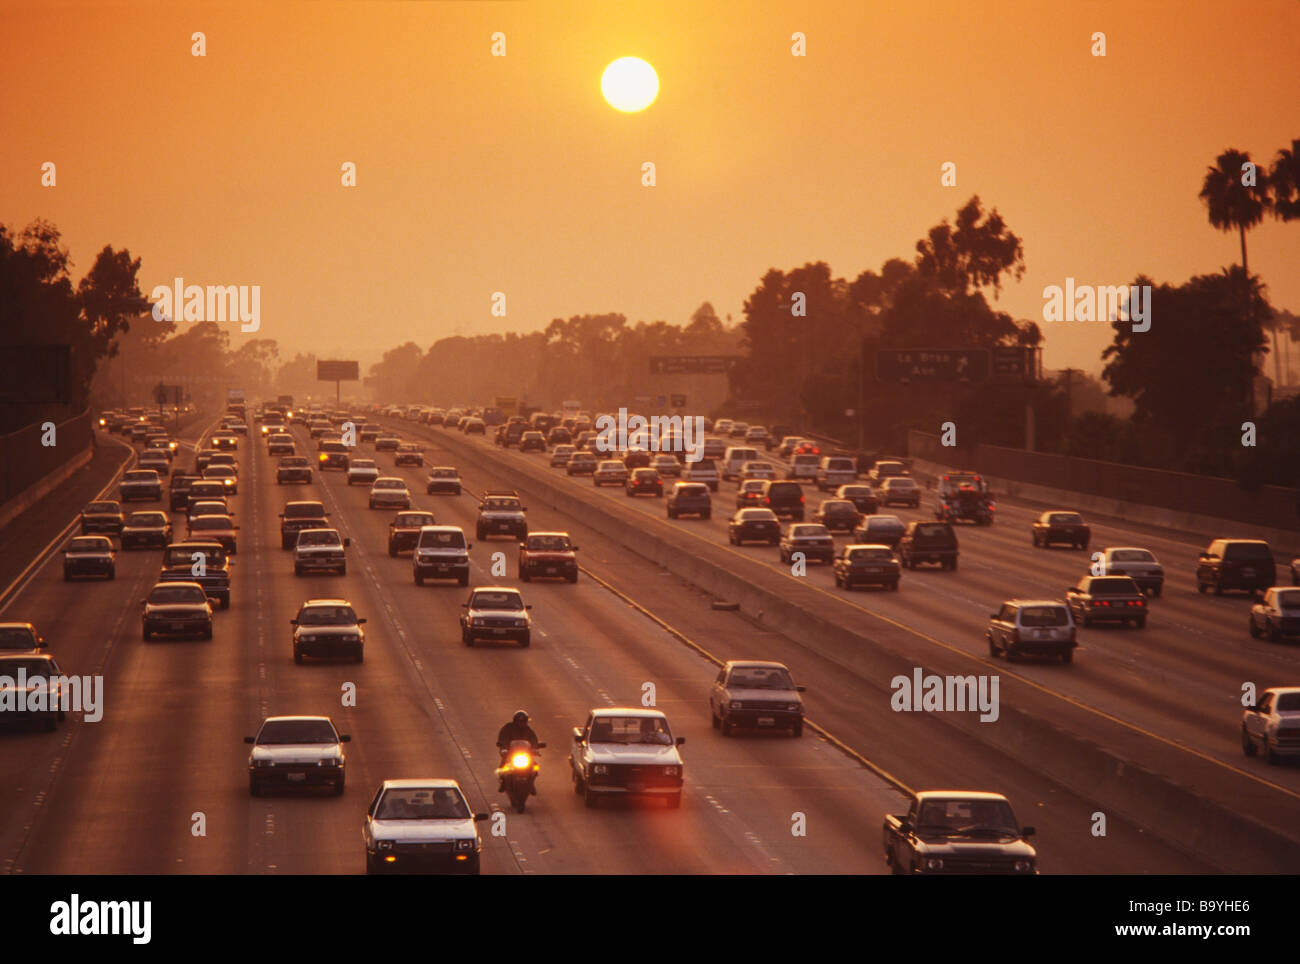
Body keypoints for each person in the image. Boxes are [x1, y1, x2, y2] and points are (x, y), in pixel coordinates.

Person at [496, 710, 540, 792]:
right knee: (503, 765)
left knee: (535, 766)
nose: (522, 723)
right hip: (510, 753)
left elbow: (533, 739)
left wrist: (535, 748)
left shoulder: (528, 730)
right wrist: (504, 747)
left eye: (524, 721)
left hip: (525, 754)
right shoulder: (508, 728)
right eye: (519, 721)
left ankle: (531, 783)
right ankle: (503, 782)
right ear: (515, 721)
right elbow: (503, 738)